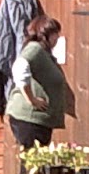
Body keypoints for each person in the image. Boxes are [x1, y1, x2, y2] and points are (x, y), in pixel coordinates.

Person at [6, 14, 73, 153]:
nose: (57, 38)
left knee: (37, 164)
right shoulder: (35, 49)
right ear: (45, 34)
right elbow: (20, 66)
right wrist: (32, 100)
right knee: (32, 165)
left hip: (38, 120)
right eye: (55, 34)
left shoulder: (44, 53)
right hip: (30, 119)